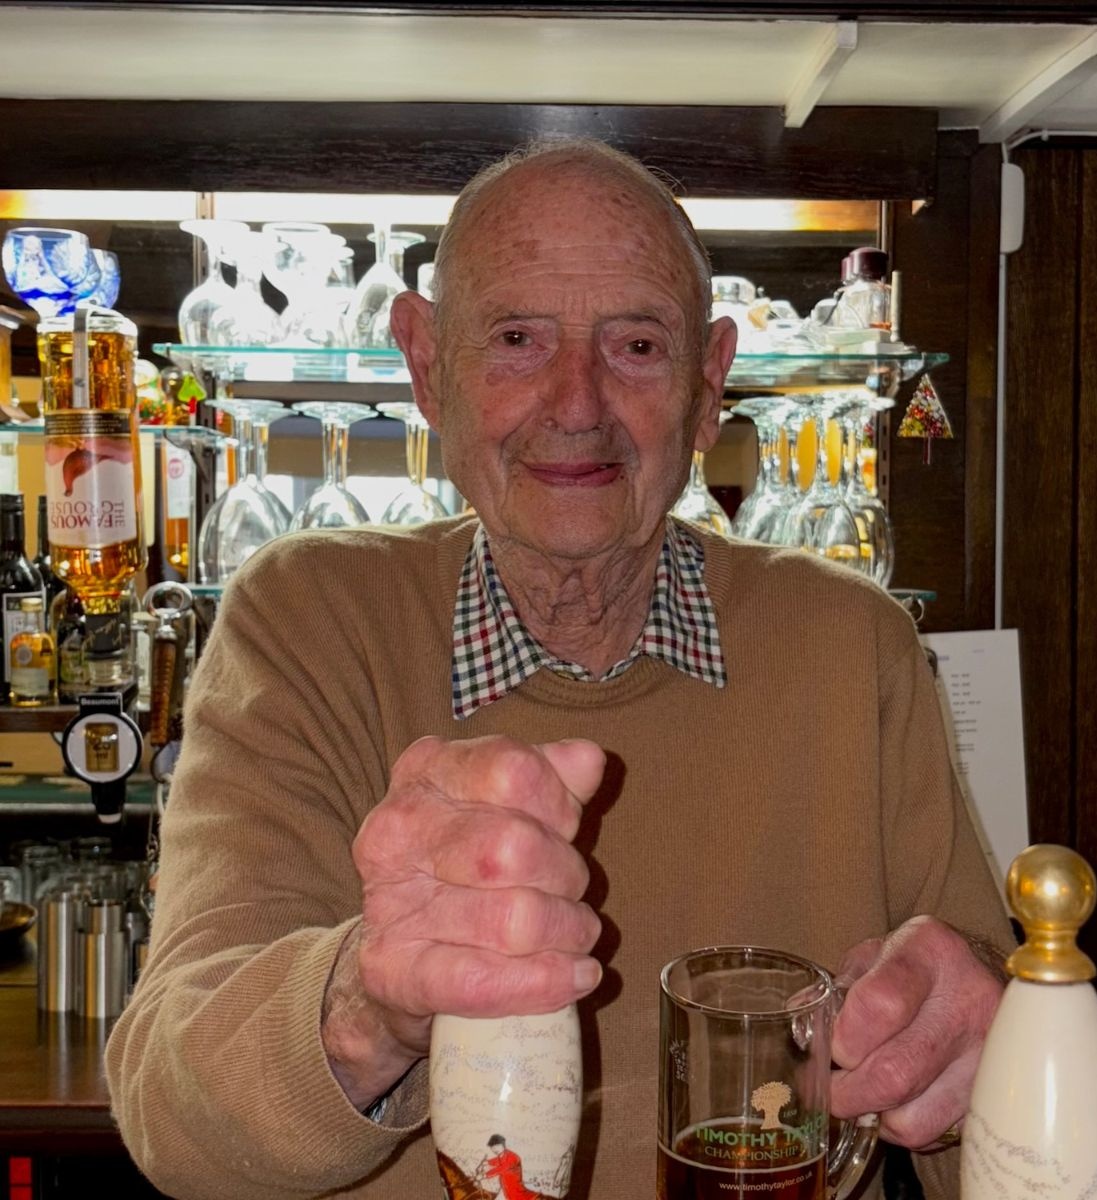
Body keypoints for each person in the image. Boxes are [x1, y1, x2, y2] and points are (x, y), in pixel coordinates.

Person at [106, 138, 1012, 1200]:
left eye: (634, 345)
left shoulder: (853, 644)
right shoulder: (305, 619)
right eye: (518, 339)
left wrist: (980, 1042)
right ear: (426, 368)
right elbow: (177, 1118)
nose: (576, 404)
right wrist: (371, 1002)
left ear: (709, 384)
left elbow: (985, 1095)